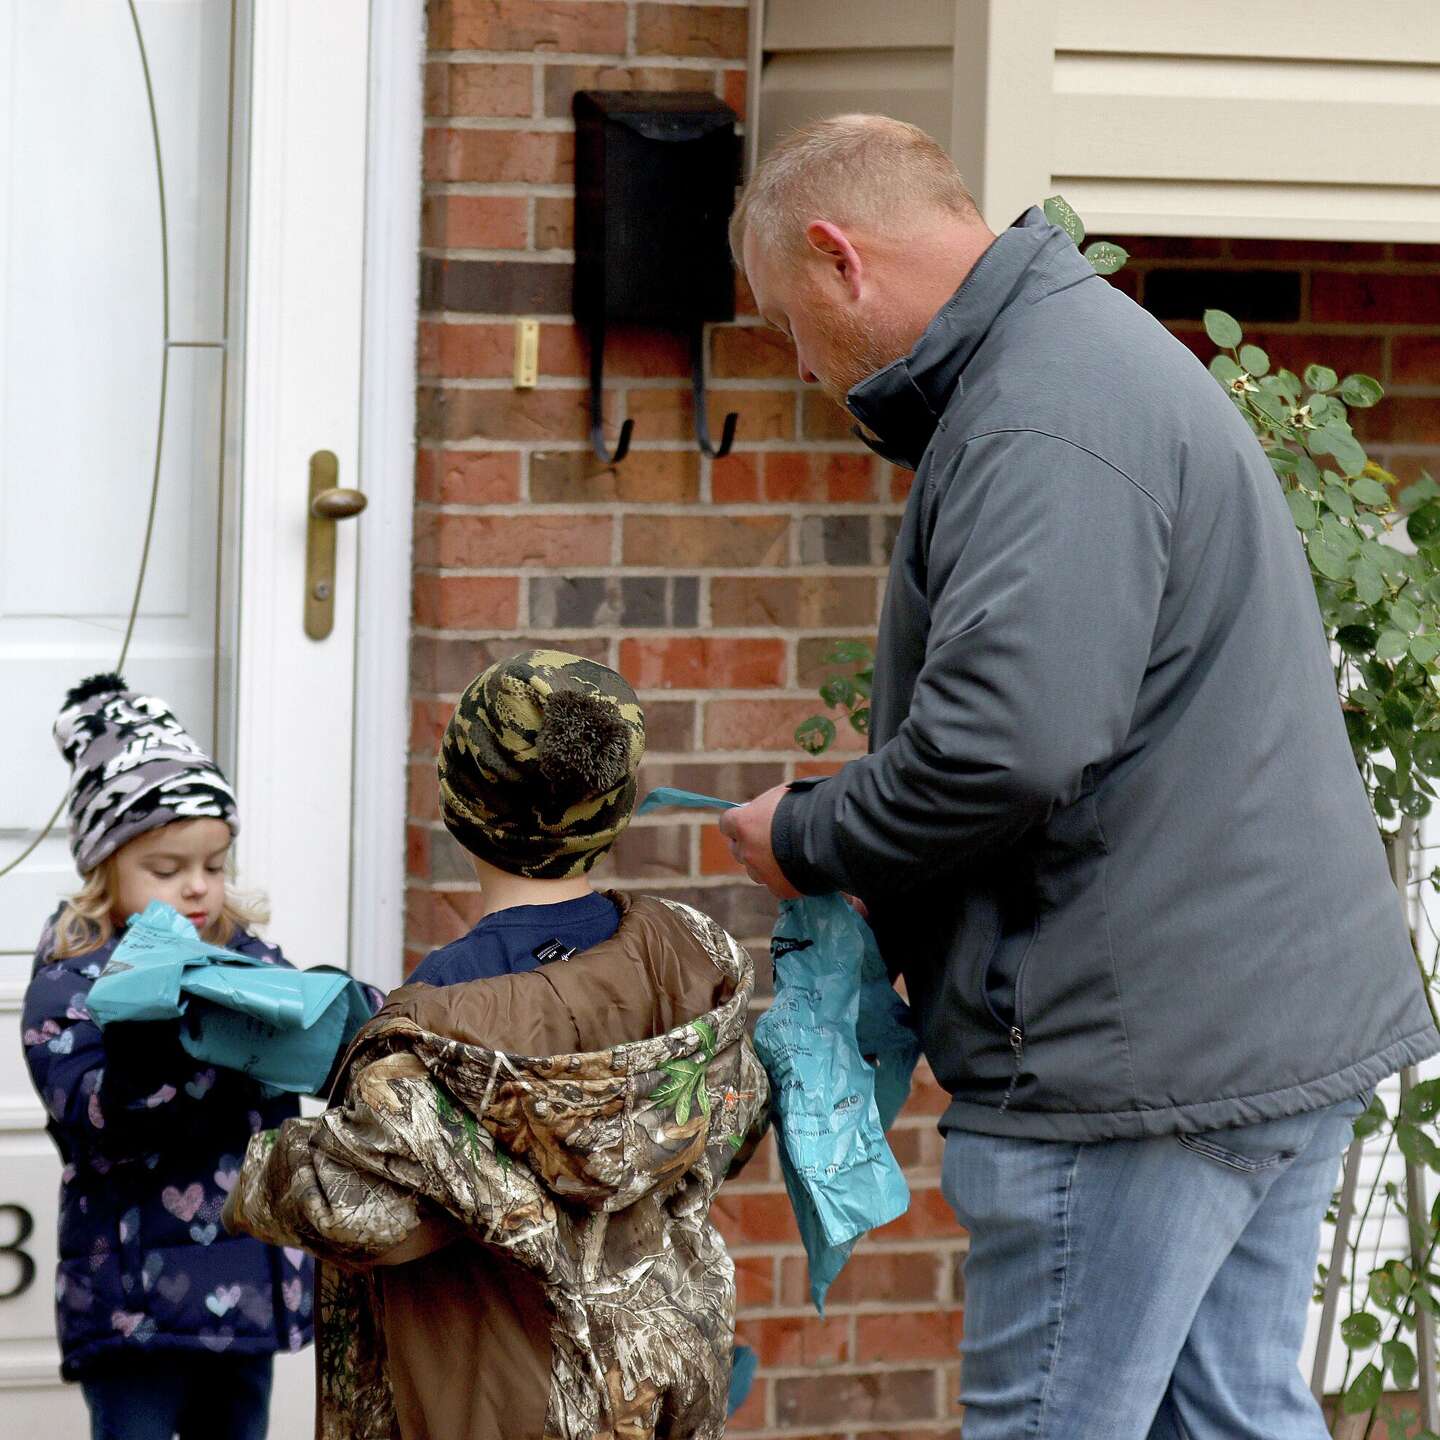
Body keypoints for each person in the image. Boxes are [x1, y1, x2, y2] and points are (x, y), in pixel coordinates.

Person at [718, 114, 1440, 1440]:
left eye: (783, 324)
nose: (804, 366)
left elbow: (1013, 745)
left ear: (838, 261)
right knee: (1227, 1418)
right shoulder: (1076, 359)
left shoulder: (1039, 417)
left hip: (1134, 1060)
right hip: (1251, 1024)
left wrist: (810, 835)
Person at [224, 651, 770, 1440]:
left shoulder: (443, 1012)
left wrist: (264, 1171)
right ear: (617, 807)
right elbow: (731, 1124)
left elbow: (357, 1211)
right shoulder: (686, 962)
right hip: (649, 1386)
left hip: (489, 1396)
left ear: (457, 802)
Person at [20, 674, 315, 1440]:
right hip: (133, 1306)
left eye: (214, 867)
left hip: (245, 1290)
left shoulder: (246, 957)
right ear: (103, 868)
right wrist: (157, 1042)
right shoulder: (73, 975)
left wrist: (342, 1022)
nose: (197, 888)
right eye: (166, 870)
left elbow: (298, 1048)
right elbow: (88, 1110)